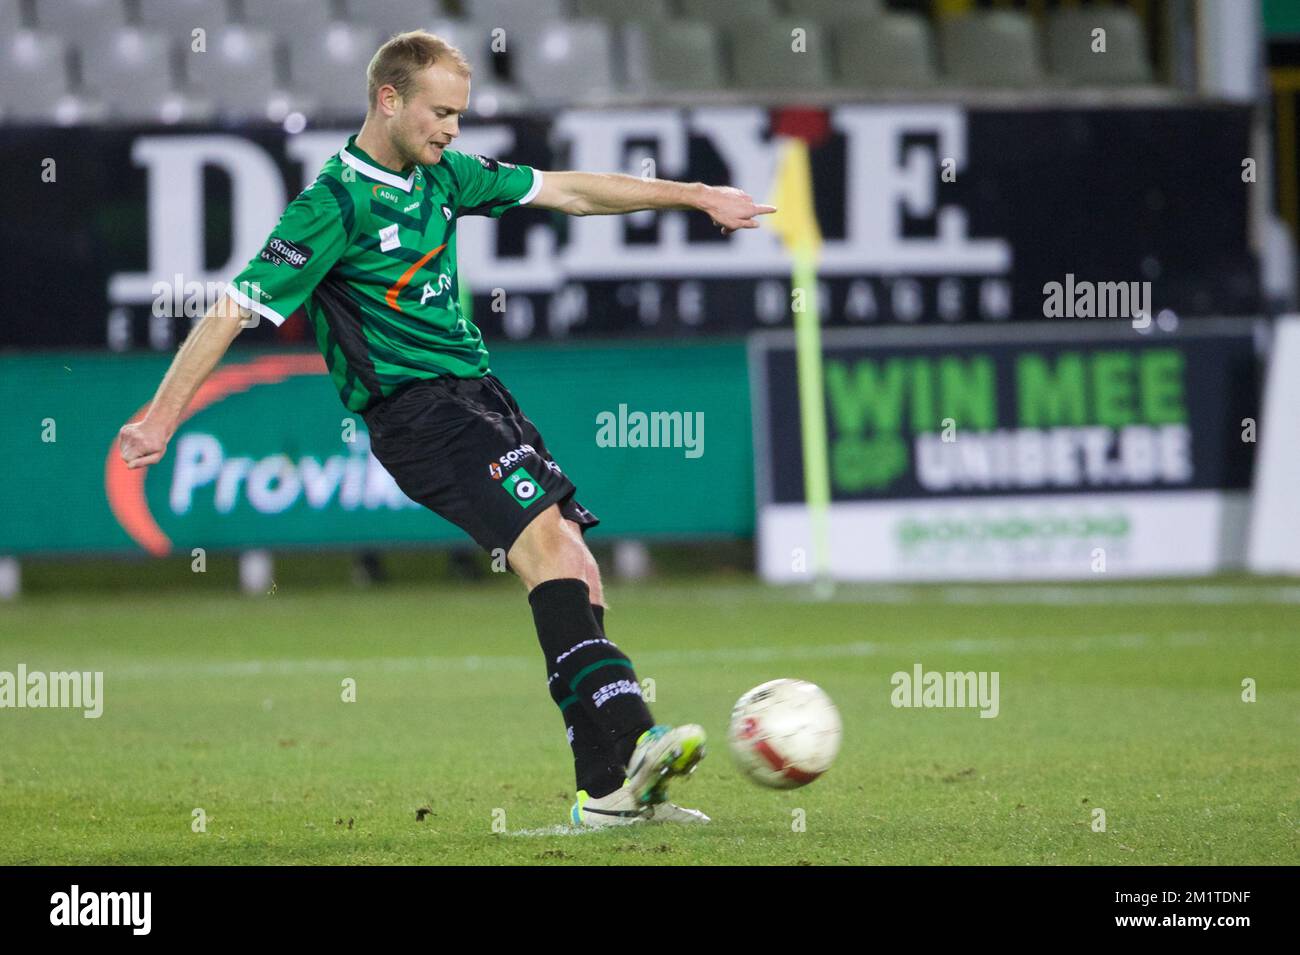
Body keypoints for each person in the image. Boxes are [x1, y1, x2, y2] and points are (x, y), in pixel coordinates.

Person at [117, 30, 775, 826]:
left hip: (482, 396)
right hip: (417, 413)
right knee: (551, 550)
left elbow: (569, 190)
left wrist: (696, 194)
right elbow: (233, 309)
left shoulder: (445, 176)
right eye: (441, 113)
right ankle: (637, 736)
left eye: (460, 115)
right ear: (388, 100)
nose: (453, 130)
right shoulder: (333, 202)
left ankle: (606, 794)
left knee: (578, 572)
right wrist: (161, 416)